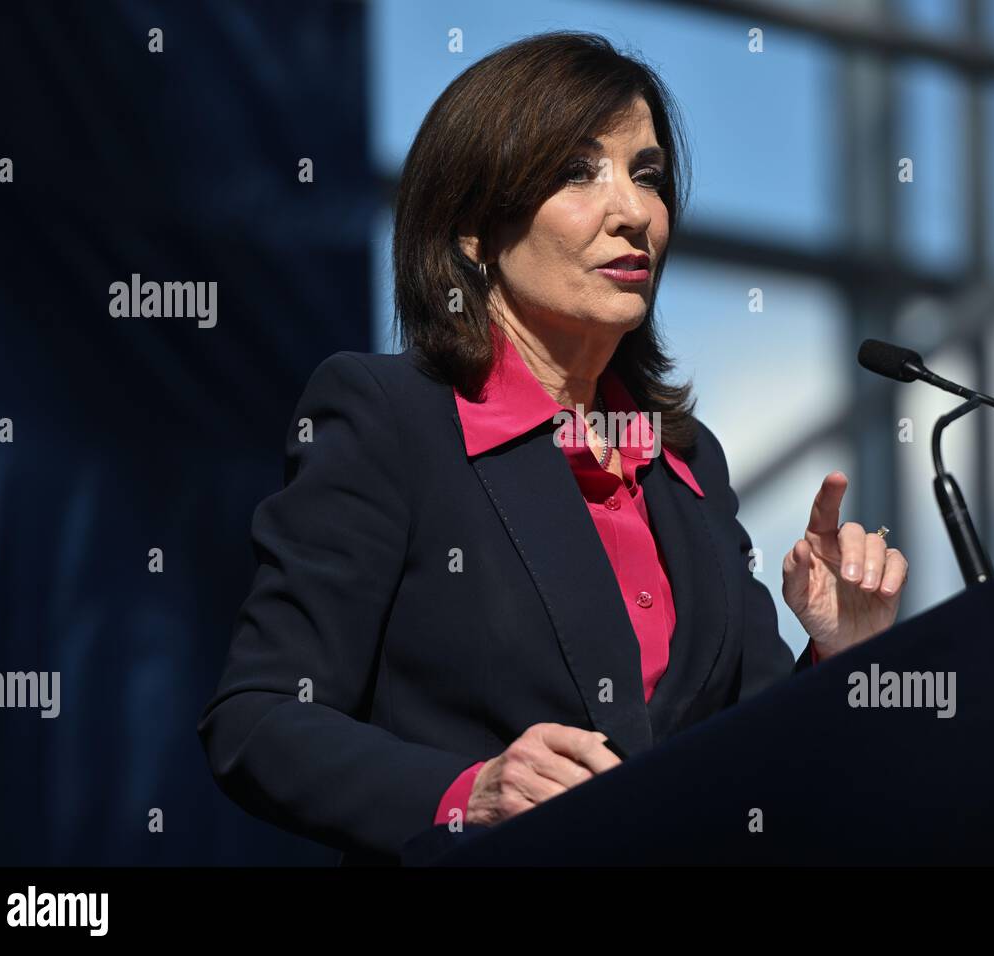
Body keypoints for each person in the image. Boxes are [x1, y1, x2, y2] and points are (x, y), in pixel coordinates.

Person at [197, 31, 908, 865]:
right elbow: (258, 720)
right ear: (472, 228)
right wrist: (467, 794)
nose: (633, 212)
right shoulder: (389, 417)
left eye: (648, 175)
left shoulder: (686, 461)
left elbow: (751, 759)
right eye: (578, 171)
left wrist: (837, 653)